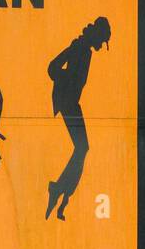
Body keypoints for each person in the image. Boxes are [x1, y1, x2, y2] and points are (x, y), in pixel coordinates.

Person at [46, 16, 111, 220]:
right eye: (102, 40)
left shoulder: (86, 50)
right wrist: (66, 83)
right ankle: (60, 191)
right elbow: (53, 66)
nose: (101, 45)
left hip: (73, 102)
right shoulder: (79, 47)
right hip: (68, 102)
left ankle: (62, 193)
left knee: (82, 148)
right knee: (82, 147)